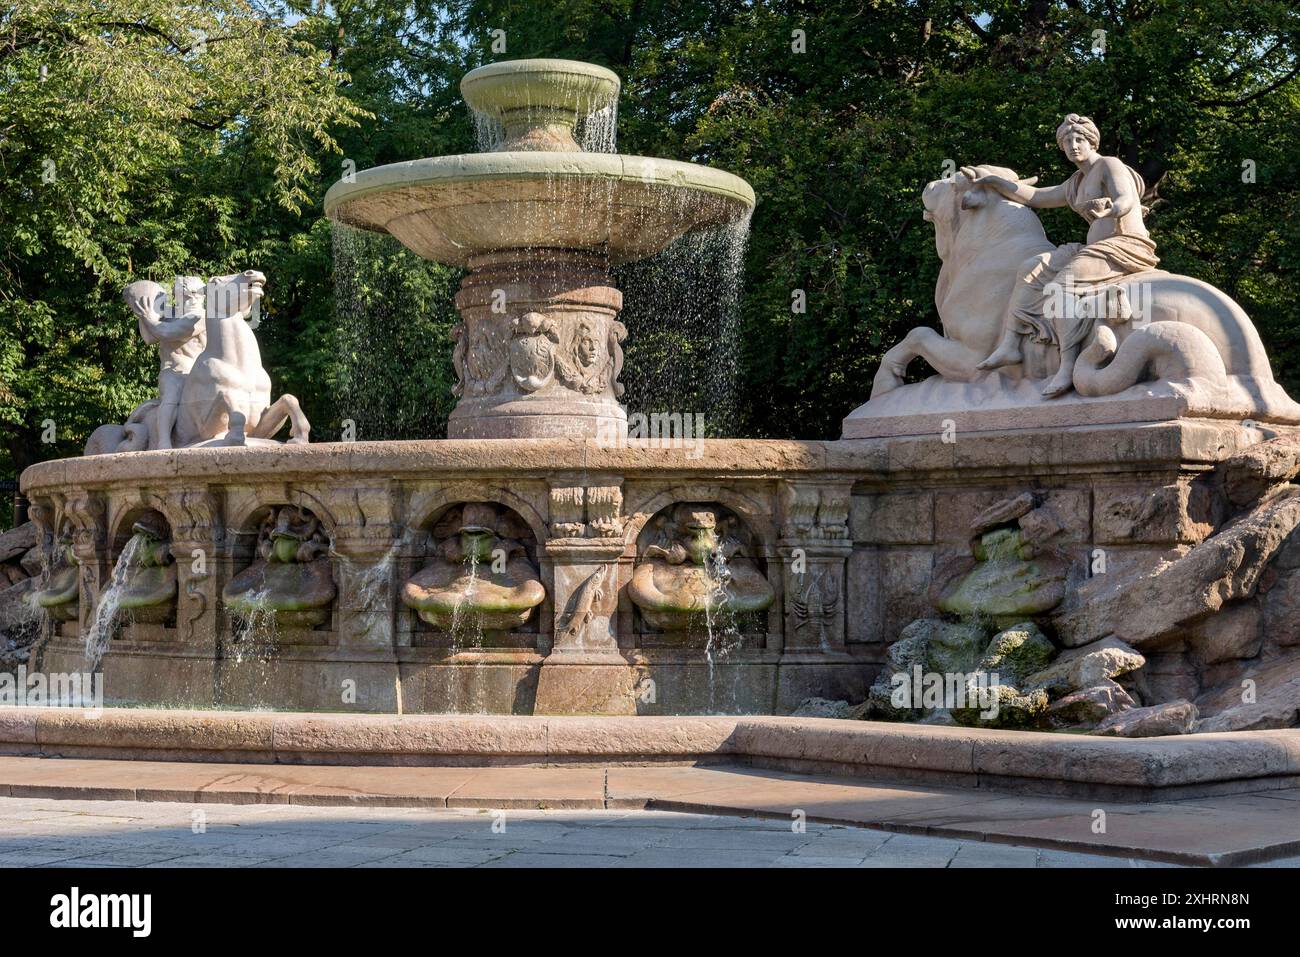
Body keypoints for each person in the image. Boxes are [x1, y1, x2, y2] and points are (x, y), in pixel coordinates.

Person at [961, 113, 1158, 397]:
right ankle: (1010, 344)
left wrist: (1112, 209)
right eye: (1067, 142)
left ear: (1092, 142)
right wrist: (993, 181)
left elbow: (1126, 197)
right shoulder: (1075, 182)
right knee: (1032, 266)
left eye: (1079, 140)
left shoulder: (1108, 165)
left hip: (1122, 245)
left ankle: (1067, 366)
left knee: (1059, 289)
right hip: (1093, 250)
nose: (1073, 146)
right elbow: (1035, 197)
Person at [123, 276, 208, 449]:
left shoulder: (199, 316)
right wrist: (143, 312)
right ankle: (164, 441)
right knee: (171, 397)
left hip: (196, 371)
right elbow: (149, 337)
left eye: (198, 294)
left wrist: (149, 318)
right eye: (185, 295)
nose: (194, 298)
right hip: (172, 372)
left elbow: (167, 332)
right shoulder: (170, 315)